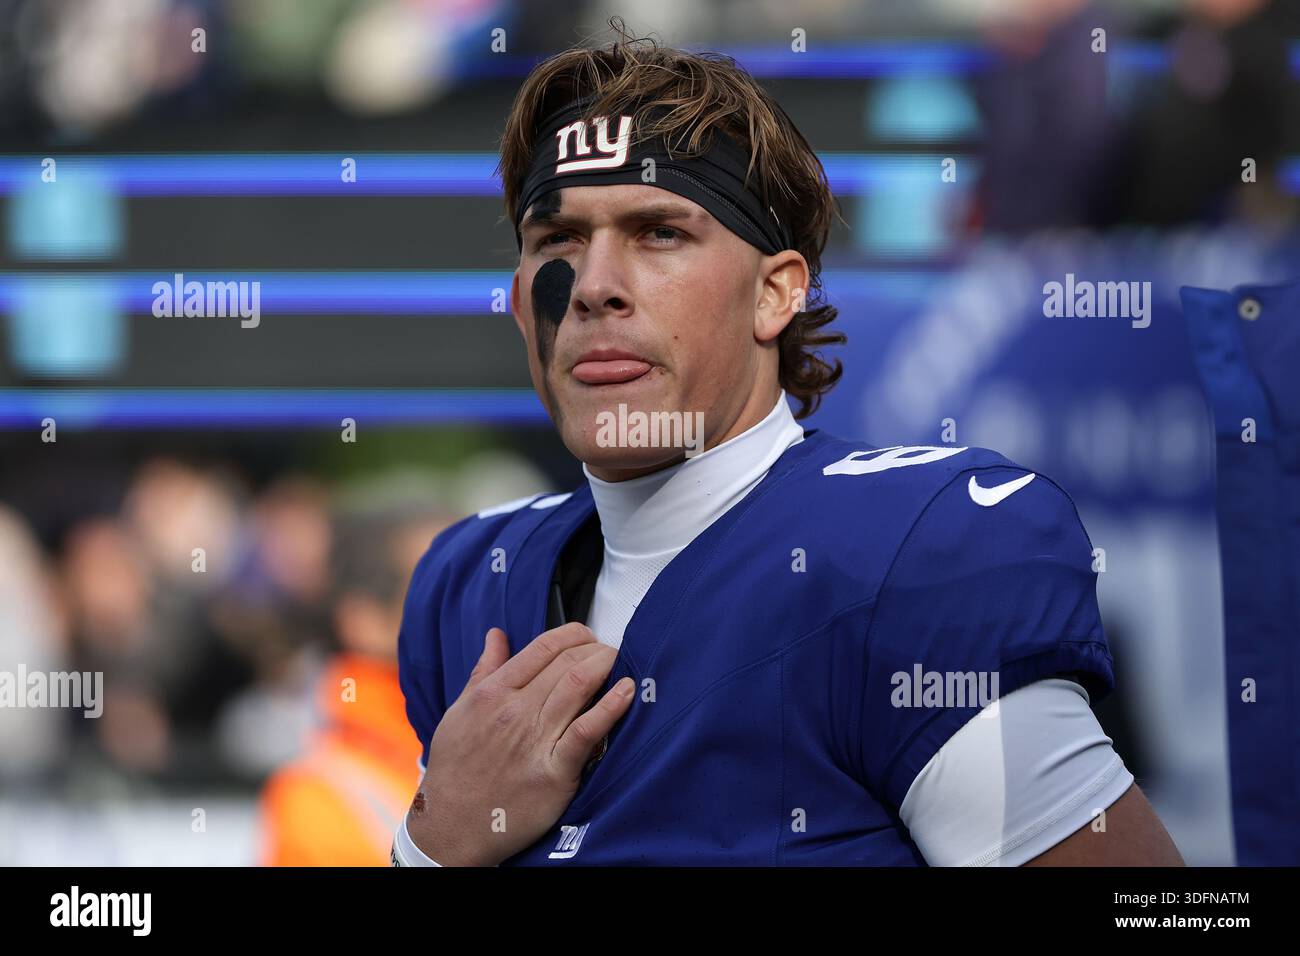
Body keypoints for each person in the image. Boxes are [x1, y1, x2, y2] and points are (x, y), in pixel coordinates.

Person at [391, 23, 1183, 867]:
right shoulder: (471, 587)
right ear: (520, 307)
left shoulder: (905, 560)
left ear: (776, 296)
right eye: (559, 241)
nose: (593, 288)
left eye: (659, 232)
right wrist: (429, 845)